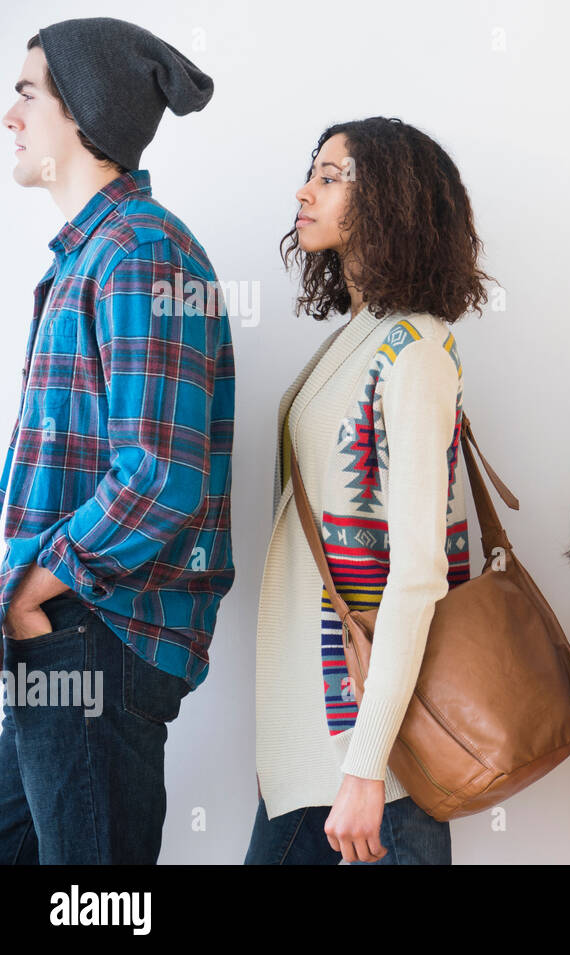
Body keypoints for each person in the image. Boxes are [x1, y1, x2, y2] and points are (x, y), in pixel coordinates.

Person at [0, 18, 233, 864]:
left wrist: (34, 590)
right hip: (63, 622)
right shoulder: (88, 257)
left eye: (28, 93)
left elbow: (160, 475)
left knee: (96, 906)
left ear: (82, 114)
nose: (11, 115)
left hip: (96, 627)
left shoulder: (140, 253)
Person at [244, 117, 489, 865]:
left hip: (359, 755)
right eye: (311, 172)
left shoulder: (412, 349)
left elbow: (417, 575)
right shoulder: (360, 336)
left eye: (329, 175)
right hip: (318, 749)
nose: (304, 190)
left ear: (388, 200)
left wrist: (366, 764)